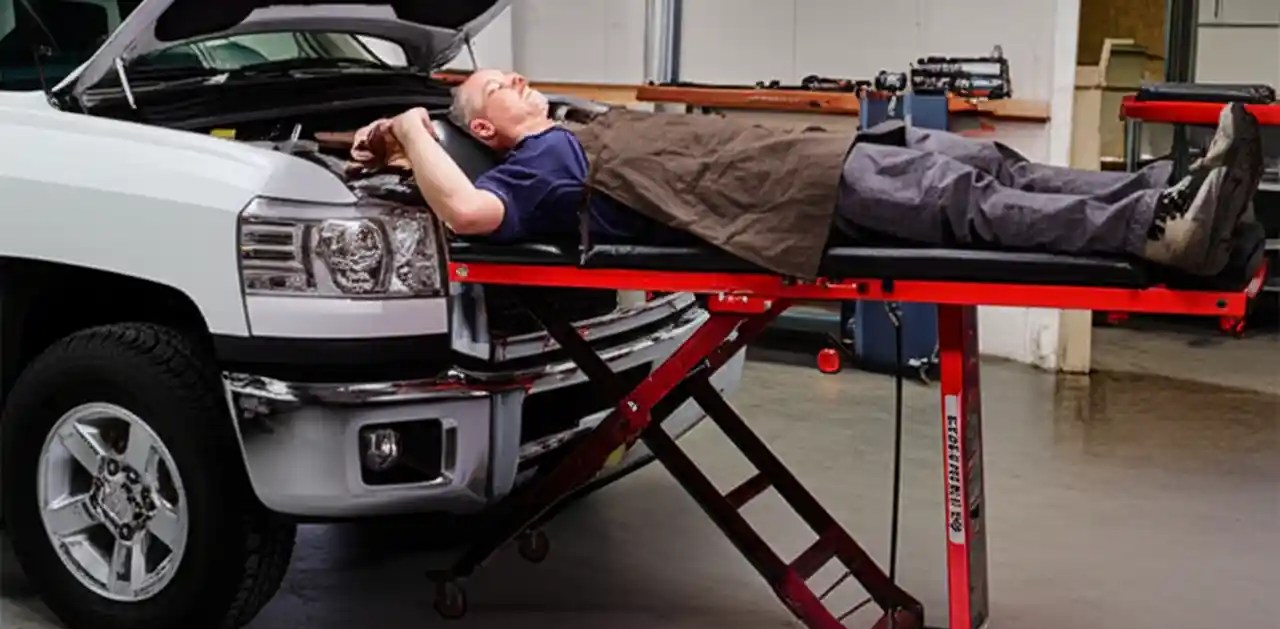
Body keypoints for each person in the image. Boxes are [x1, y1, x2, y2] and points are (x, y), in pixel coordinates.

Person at [355, 68, 1264, 279]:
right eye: (497, 87)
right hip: (787, 197)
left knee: (982, 158)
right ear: (482, 125)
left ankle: (1163, 199)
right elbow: (467, 213)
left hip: (807, 158)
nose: (516, 77)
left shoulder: (576, 123)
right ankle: (1158, 236)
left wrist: (398, 140)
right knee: (963, 199)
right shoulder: (533, 169)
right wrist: (407, 125)